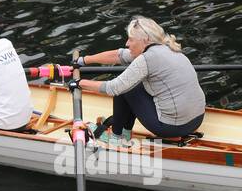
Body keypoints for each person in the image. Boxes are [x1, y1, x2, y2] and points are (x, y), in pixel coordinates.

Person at [79, 18, 206, 146]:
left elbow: (113, 88)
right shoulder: (168, 48)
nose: (127, 43)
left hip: (171, 127)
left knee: (125, 86)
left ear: (144, 40)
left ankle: (116, 137)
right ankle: (126, 131)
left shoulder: (148, 58)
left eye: (131, 39)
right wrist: (83, 60)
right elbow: (119, 55)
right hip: (197, 119)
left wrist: (78, 83)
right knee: (130, 83)